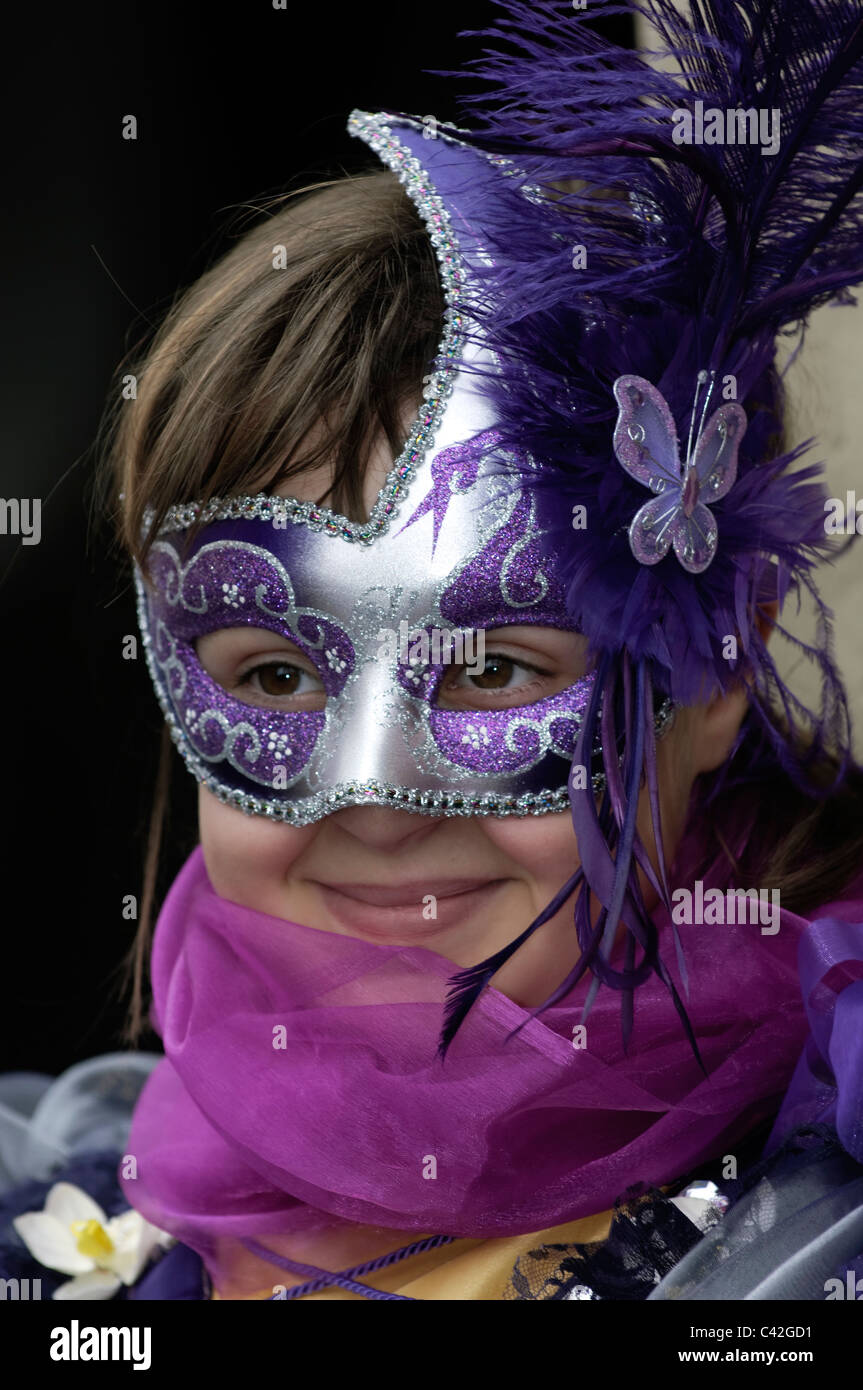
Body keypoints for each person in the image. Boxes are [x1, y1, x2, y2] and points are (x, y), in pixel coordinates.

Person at [2, 0, 863, 1302]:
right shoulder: (76, 1194)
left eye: (495, 667)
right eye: (276, 674)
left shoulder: (811, 1243)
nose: (367, 794)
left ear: (711, 672)